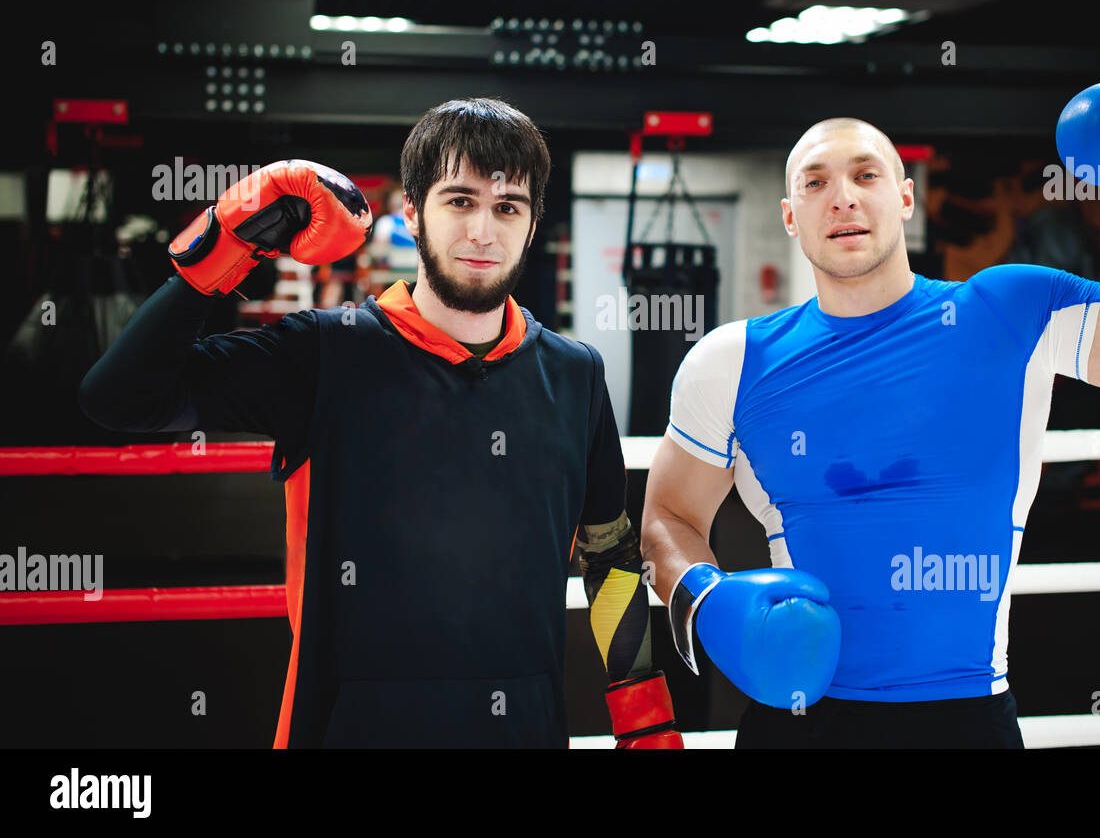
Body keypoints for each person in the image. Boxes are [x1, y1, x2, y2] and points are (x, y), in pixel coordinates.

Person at [641, 80, 1100, 748]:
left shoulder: (1011, 312)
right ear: (791, 216)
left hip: (965, 721)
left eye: (866, 174)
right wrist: (703, 596)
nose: (844, 196)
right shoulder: (732, 360)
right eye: (815, 183)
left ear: (906, 196)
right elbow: (667, 517)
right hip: (803, 724)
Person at [79, 98, 680, 748]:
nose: (484, 231)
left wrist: (647, 725)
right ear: (413, 214)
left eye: (508, 206)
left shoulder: (574, 374)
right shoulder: (326, 352)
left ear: (532, 225)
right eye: (459, 201)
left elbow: (610, 559)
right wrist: (221, 246)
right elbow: (119, 398)